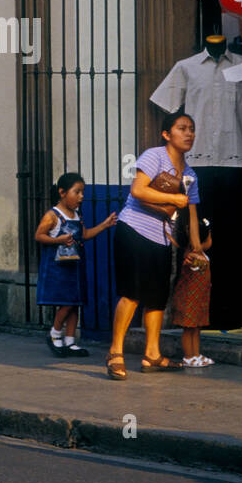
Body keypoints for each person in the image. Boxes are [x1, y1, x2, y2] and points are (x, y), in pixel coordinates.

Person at [105, 113, 200, 380]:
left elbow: (192, 213)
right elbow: (138, 190)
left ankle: (153, 354)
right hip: (134, 229)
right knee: (132, 293)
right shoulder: (154, 155)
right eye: (181, 128)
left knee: (157, 298)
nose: (189, 133)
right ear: (166, 134)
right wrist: (175, 198)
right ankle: (115, 353)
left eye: (192, 129)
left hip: (162, 237)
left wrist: (195, 247)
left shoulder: (190, 174)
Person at [34, 172, 116, 357]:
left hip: (76, 266)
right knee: (66, 303)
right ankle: (55, 334)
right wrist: (59, 240)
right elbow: (39, 236)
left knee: (75, 303)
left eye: (82, 192)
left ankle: (70, 341)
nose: (81, 196)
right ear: (62, 193)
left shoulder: (77, 214)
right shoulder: (52, 215)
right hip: (59, 268)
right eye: (77, 192)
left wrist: (104, 225)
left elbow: (84, 235)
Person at [172, 210, 214, 368]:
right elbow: (193, 265)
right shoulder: (192, 256)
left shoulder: (202, 255)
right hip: (189, 300)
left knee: (196, 329)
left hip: (199, 300)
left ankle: (196, 354)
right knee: (188, 329)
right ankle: (188, 356)